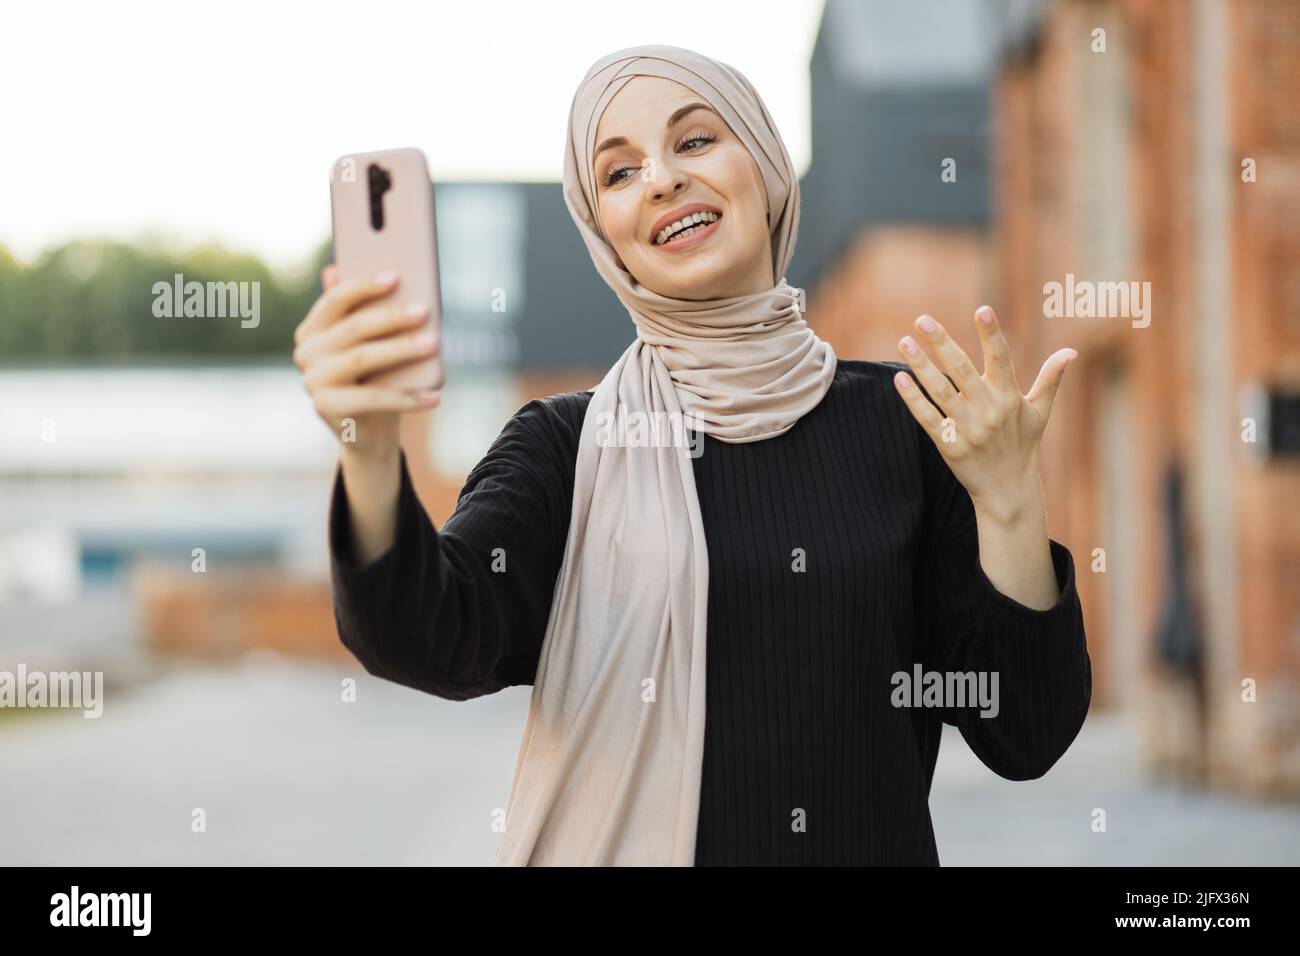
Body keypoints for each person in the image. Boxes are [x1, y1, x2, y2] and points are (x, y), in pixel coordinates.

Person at [292, 44, 1092, 866]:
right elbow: (427, 632)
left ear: (767, 166)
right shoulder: (565, 449)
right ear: (605, 235)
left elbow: (1025, 734)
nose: (663, 179)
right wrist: (370, 448)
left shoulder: (906, 424)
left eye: (697, 140)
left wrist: (1008, 504)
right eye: (618, 172)